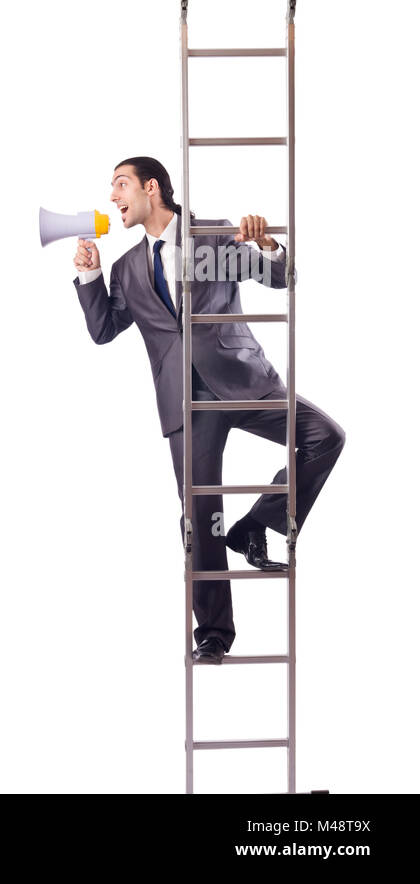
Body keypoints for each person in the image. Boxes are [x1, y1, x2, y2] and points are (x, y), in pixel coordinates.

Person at [70, 156, 344, 664]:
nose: (112, 196)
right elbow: (105, 330)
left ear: (152, 188)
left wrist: (265, 244)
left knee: (325, 436)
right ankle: (214, 634)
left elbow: (282, 276)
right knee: (199, 513)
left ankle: (259, 524)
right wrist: (88, 277)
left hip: (241, 379)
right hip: (184, 401)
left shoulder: (214, 238)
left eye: (120, 184)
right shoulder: (128, 269)